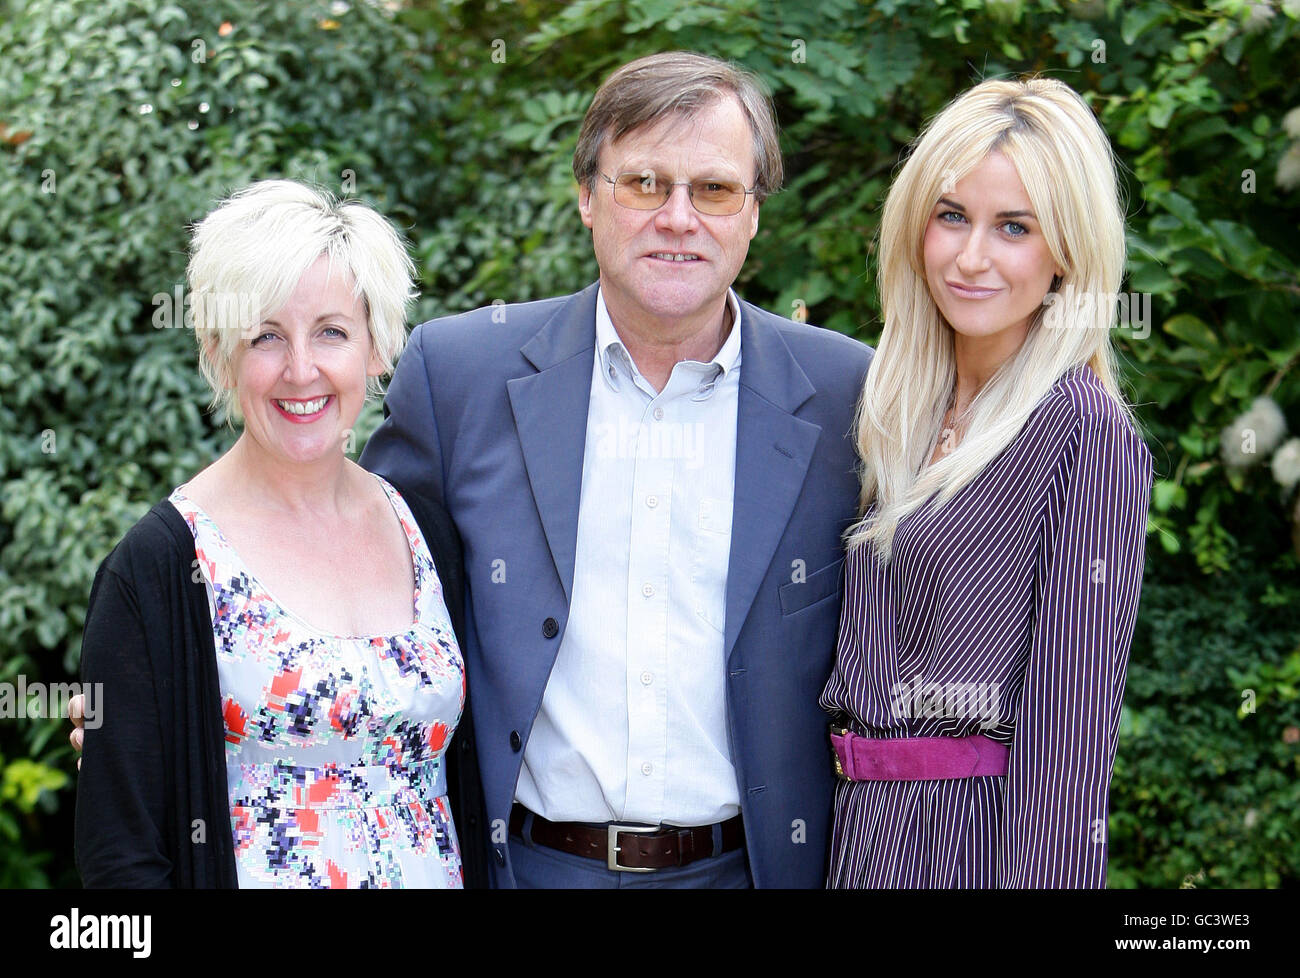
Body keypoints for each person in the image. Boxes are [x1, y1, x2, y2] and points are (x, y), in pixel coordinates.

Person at [359, 51, 873, 888]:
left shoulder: (847, 397)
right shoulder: (458, 377)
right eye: (642, 183)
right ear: (587, 197)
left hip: (751, 872)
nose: (678, 217)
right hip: (527, 867)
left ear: (753, 216)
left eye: (713, 189)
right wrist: (168, 683)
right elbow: (358, 590)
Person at [74, 180, 475, 888]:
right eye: (265, 336)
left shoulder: (430, 533)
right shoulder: (161, 567)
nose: (300, 370)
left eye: (331, 332)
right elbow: (121, 860)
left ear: (377, 346)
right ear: (219, 352)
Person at [820, 77, 1154, 888]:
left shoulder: (1085, 432)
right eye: (951, 216)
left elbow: (1071, 731)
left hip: (970, 841)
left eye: (1014, 228)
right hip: (858, 832)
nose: (971, 257)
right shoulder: (893, 409)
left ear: (1066, 252)